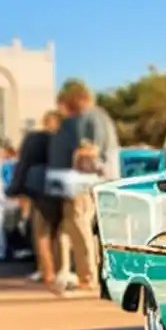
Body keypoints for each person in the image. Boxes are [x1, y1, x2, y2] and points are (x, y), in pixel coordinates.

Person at [48, 79, 121, 295]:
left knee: (80, 228)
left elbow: (90, 150)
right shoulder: (100, 117)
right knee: (81, 229)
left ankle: (87, 278)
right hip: (96, 182)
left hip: (83, 183)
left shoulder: (88, 118)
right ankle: (88, 275)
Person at [6, 110, 66, 291]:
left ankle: (47, 270)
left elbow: (23, 164)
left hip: (38, 186)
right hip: (61, 186)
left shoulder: (34, 139)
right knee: (60, 230)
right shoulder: (63, 139)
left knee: (41, 231)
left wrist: (15, 188)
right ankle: (60, 268)